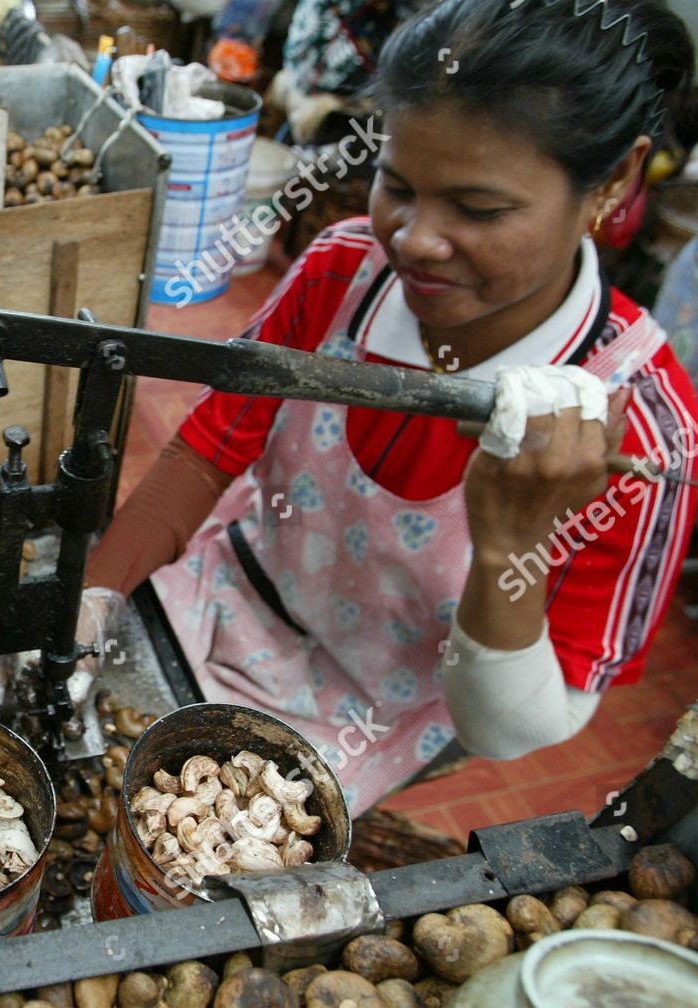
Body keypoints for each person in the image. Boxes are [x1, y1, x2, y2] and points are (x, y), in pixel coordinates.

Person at [84, 0, 698, 812]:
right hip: (231, 597)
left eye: (478, 210)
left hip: (377, 717)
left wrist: (511, 546)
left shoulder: (646, 434)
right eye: (397, 185)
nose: (414, 239)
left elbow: (511, 730)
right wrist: (94, 600)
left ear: (614, 181)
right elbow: (207, 447)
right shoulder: (344, 273)